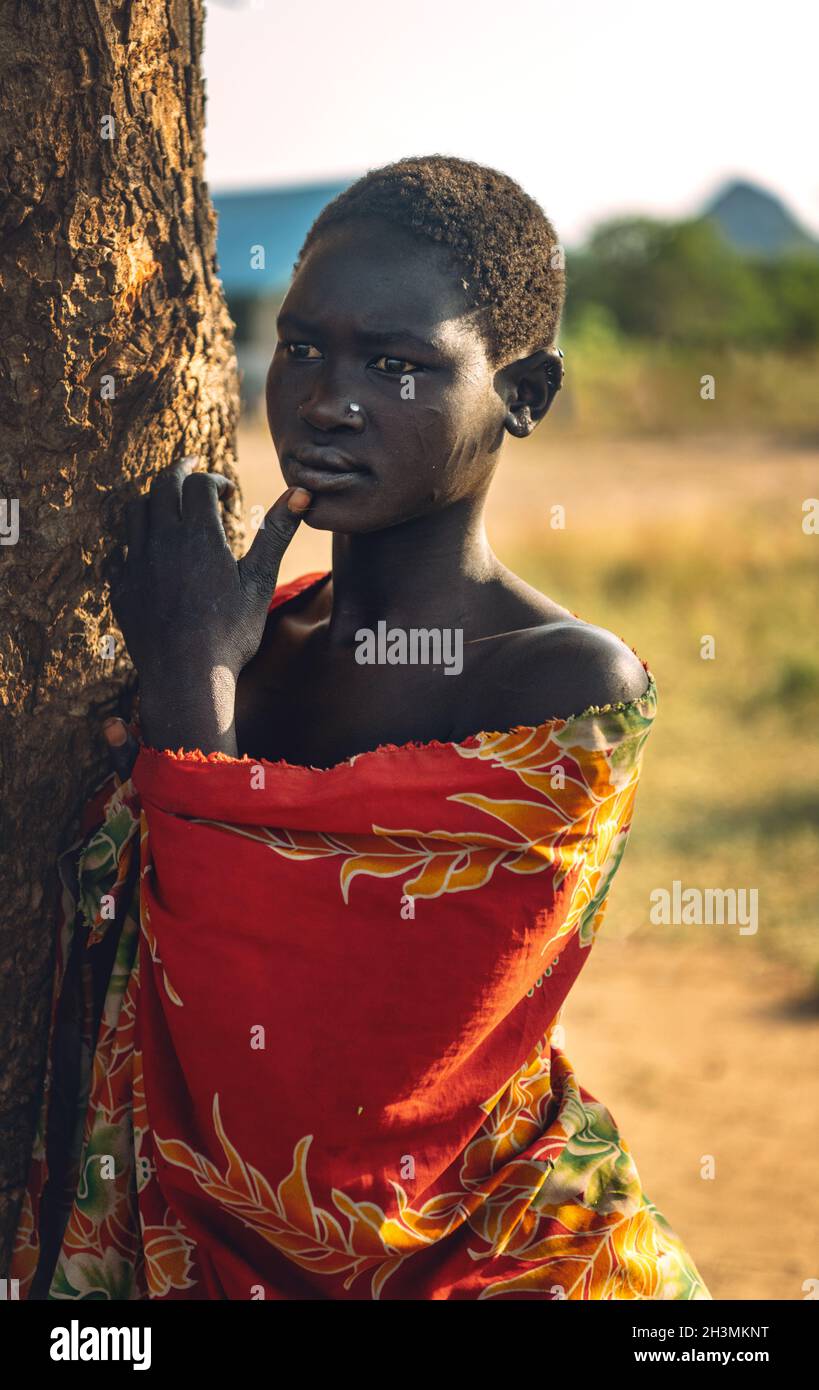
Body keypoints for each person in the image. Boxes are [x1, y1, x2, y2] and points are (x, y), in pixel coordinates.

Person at [12, 156, 710, 1300]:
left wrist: (190, 706)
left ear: (523, 393)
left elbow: (348, 1102)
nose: (329, 398)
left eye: (399, 364)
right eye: (302, 348)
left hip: (491, 1255)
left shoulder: (561, 691)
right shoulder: (250, 641)